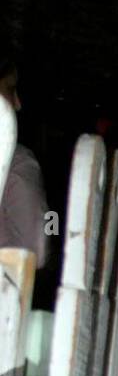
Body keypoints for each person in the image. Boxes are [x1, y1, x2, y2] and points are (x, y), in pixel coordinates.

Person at [0, 47, 49, 268]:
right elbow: (37, 250)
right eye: (11, 89)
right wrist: (54, 222)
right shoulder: (17, 160)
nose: (18, 104)